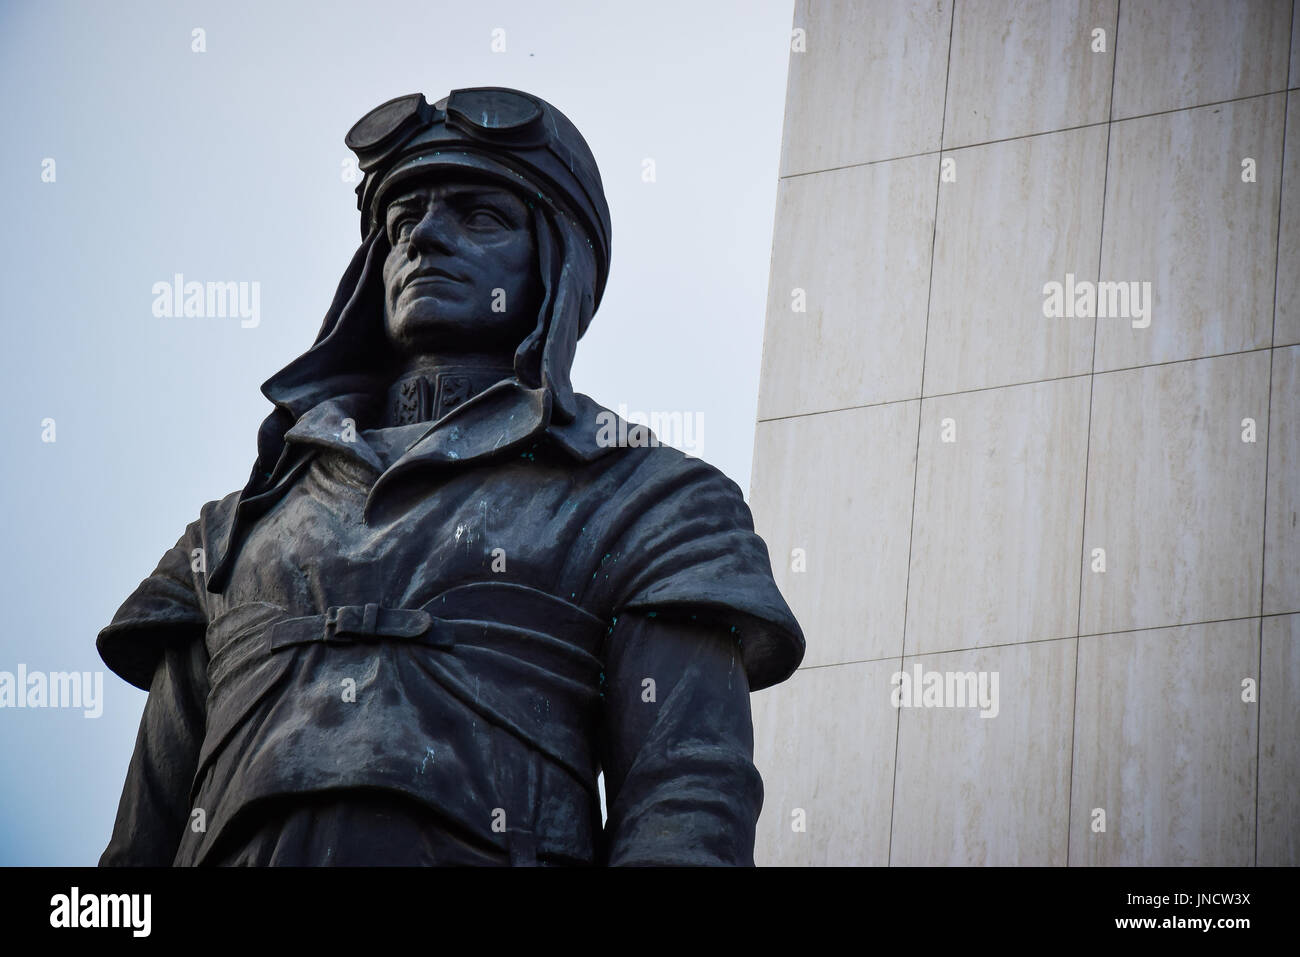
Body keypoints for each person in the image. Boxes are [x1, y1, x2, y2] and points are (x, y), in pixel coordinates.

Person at [97, 88, 804, 866]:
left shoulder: (650, 504)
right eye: (403, 224)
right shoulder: (234, 530)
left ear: (555, 265)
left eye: (481, 217)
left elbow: (686, 798)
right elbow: (137, 848)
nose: (426, 237)